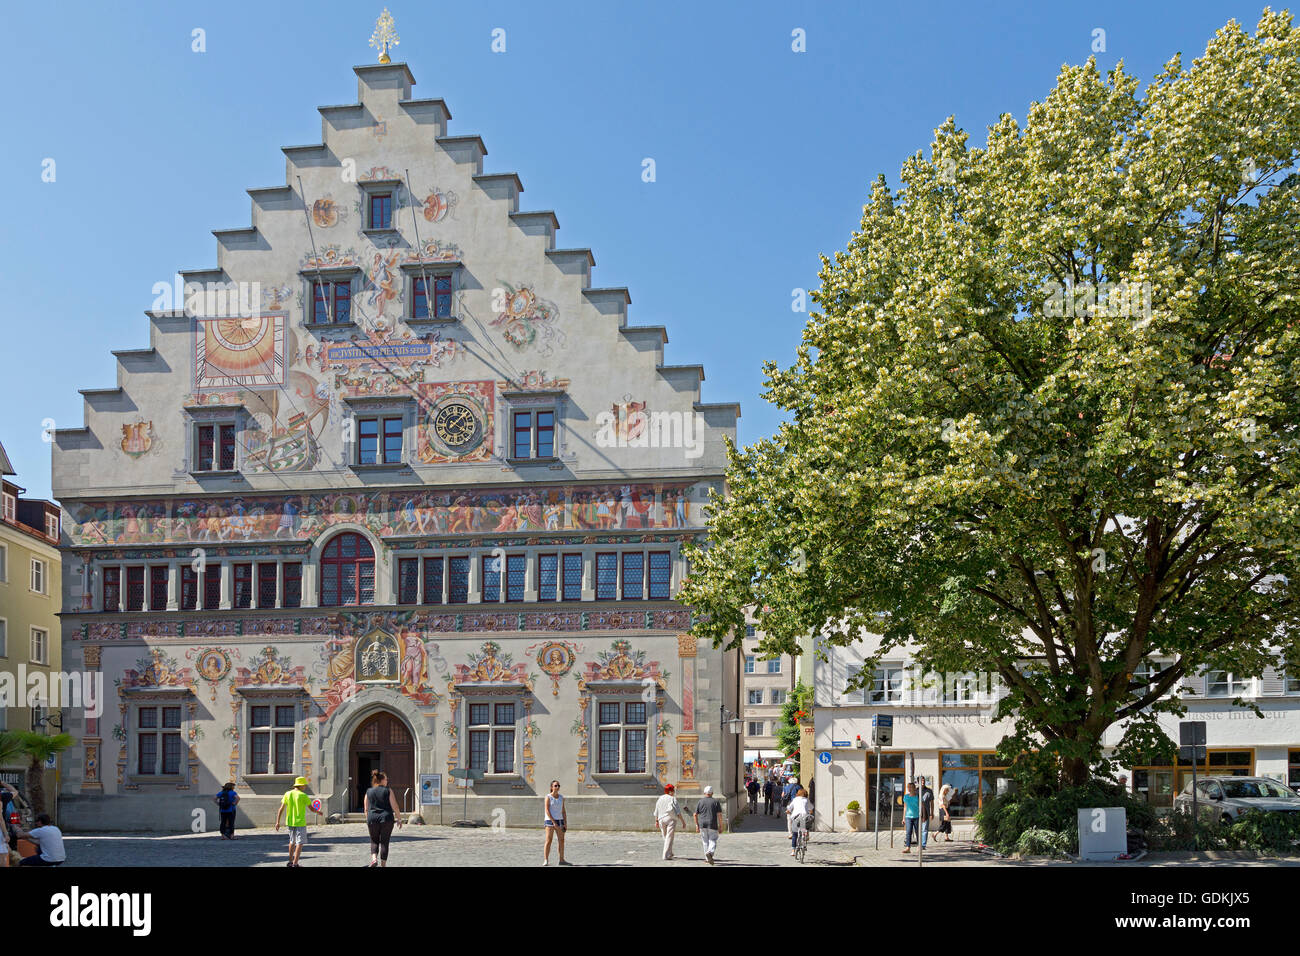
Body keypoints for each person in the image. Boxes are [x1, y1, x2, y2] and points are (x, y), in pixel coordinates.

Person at [274, 775, 323, 867]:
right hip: (300, 822)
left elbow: (280, 809)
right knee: (300, 842)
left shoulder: (287, 794)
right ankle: (295, 863)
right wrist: (318, 812)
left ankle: (290, 862)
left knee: (292, 841)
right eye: (304, 785)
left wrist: (277, 822)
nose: (305, 786)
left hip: (289, 821)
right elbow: (311, 809)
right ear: (300, 786)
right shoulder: (303, 795)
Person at [364, 769, 404, 867]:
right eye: (386, 779)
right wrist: (399, 819)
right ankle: (383, 865)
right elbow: (395, 806)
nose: (387, 781)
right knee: (385, 842)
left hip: (372, 818)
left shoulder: (368, 791)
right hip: (386, 818)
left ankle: (374, 859)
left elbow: (366, 808)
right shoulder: (388, 790)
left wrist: (368, 819)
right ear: (381, 780)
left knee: (374, 840)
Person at [653, 784, 687, 860]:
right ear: (671, 791)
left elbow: (656, 811)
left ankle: (670, 853)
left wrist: (656, 821)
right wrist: (683, 822)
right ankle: (666, 855)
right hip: (670, 818)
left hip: (661, 819)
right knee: (669, 837)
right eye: (673, 790)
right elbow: (678, 812)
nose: (674, 792)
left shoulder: (660, 798)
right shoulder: (672, 799)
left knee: (665, 837)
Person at [694, 785, 724, 864]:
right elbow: (720, 815)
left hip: (702, 824)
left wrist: (697, 825)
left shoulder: (700, 801)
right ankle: (710, 853)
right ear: (712, 793)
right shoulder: (716, 802)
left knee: (705, 841)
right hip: (712, 824)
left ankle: (707, 858)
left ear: (704, 793)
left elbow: (695, 814)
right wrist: (721, 826)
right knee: (713, 839)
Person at [543, 780, 569, 866]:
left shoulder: (561, 797)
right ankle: (546, 860)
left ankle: (561, 860)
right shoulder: (548, 797)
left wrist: (565, 822)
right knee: (548, 840)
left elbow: (563, 811)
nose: (557, 787)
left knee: (561, 840)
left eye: (558, 785)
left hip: (560, 820)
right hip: (550, 821)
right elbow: (547, 810)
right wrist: (553, 822)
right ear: (551, 787)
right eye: (555, 785)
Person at [902, 782, 927, 853]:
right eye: (908, 787)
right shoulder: (906, 796)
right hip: (908, 817)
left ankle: (919, 846)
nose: (909, 789)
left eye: (911, 787)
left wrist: (923, 816)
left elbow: (922, 806)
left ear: (914, 788)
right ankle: (908, 847)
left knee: (918, 832)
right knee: (908, 832)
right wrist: (903, 818)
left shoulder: (918, 796)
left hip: (917, 817)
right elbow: (905, 807)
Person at [787, 786, 812, 855]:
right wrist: (810, 812)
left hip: (796, 817)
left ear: (798, 793)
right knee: (804, 827)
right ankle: (805, 835)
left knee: (795, 834)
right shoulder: (807, 800)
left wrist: (788, 811)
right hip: (804, 817)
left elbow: (789, 808)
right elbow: (811, 809)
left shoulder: (795, 799)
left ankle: (793, 851)